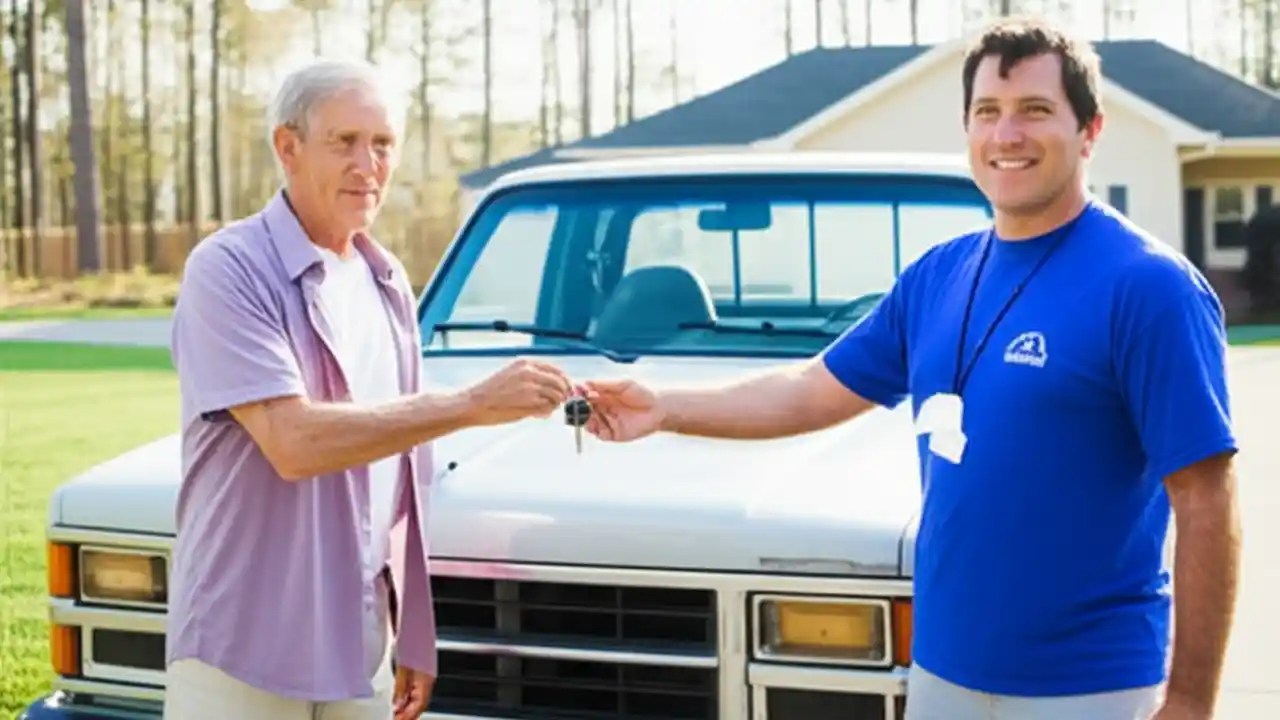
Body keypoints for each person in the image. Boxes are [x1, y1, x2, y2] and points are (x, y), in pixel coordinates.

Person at [579, 19, 1241, 720]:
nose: (1006, 135)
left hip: (1091, 687)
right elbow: (807, 391)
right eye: (987, 112)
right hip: (941, 675)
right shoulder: (939, 275)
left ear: (1090, 130)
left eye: (1035, 111)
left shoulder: (1147, 287)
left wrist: (1192, 701)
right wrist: (663, 407)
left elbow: (1208, 500)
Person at [163, 59, 573, 719]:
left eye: (382, 144)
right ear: (287, 148)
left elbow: (403, 478)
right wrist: (468, 404)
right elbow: (293, 442)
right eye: (344, 142)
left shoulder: (387, 282)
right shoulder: (229, 270)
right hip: (244, 641)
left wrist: (411, 627)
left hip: (361, 643)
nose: (368, 164)